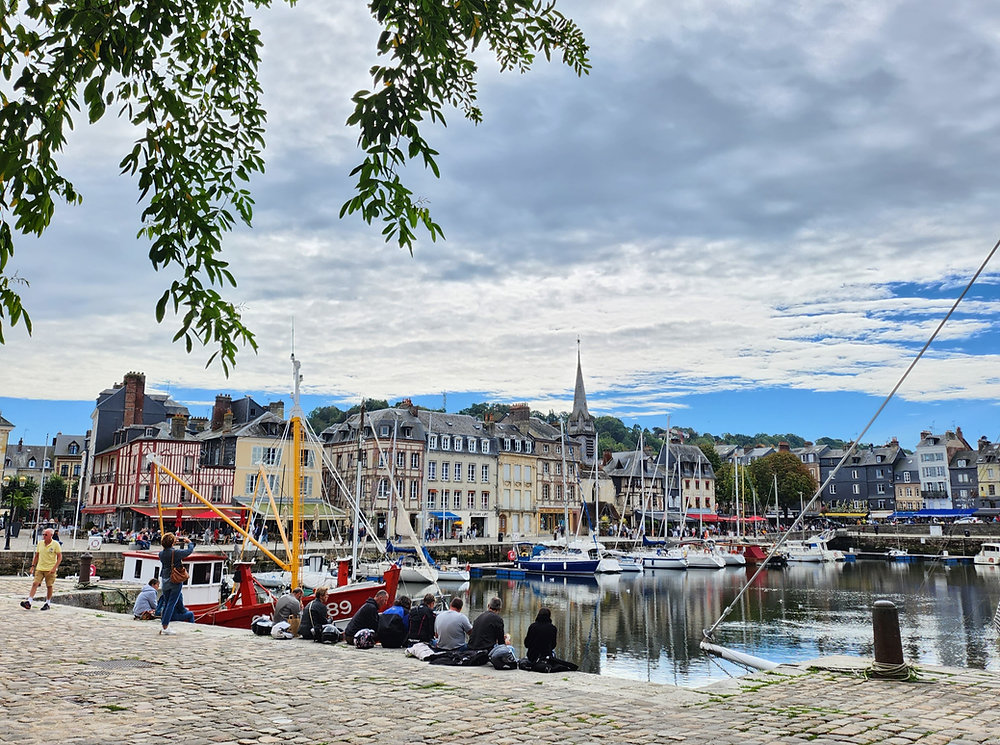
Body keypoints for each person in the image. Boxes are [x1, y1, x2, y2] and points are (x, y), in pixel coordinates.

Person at [158, 532, 195, 636]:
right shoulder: (176, 553)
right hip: (174, 580)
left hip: (164, 580)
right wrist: (189, 542)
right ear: (172, 542)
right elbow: (189, 551)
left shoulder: (161, 554)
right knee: (171, 603)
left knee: (166, 603)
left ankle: (164, 625)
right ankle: (165, 626)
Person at [21, 528, 63, 610]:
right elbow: (37, 556)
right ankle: (29, 601)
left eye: (46, 535)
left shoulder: (55, 544)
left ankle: (48, 602)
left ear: (51, 535)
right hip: (40, 568)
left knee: (49, 586)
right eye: (43, 534)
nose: (44, 536)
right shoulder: (40, 544)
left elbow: (59, 557)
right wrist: (33, 566)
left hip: (50, 569)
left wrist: (55, 567)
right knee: (35, 583)